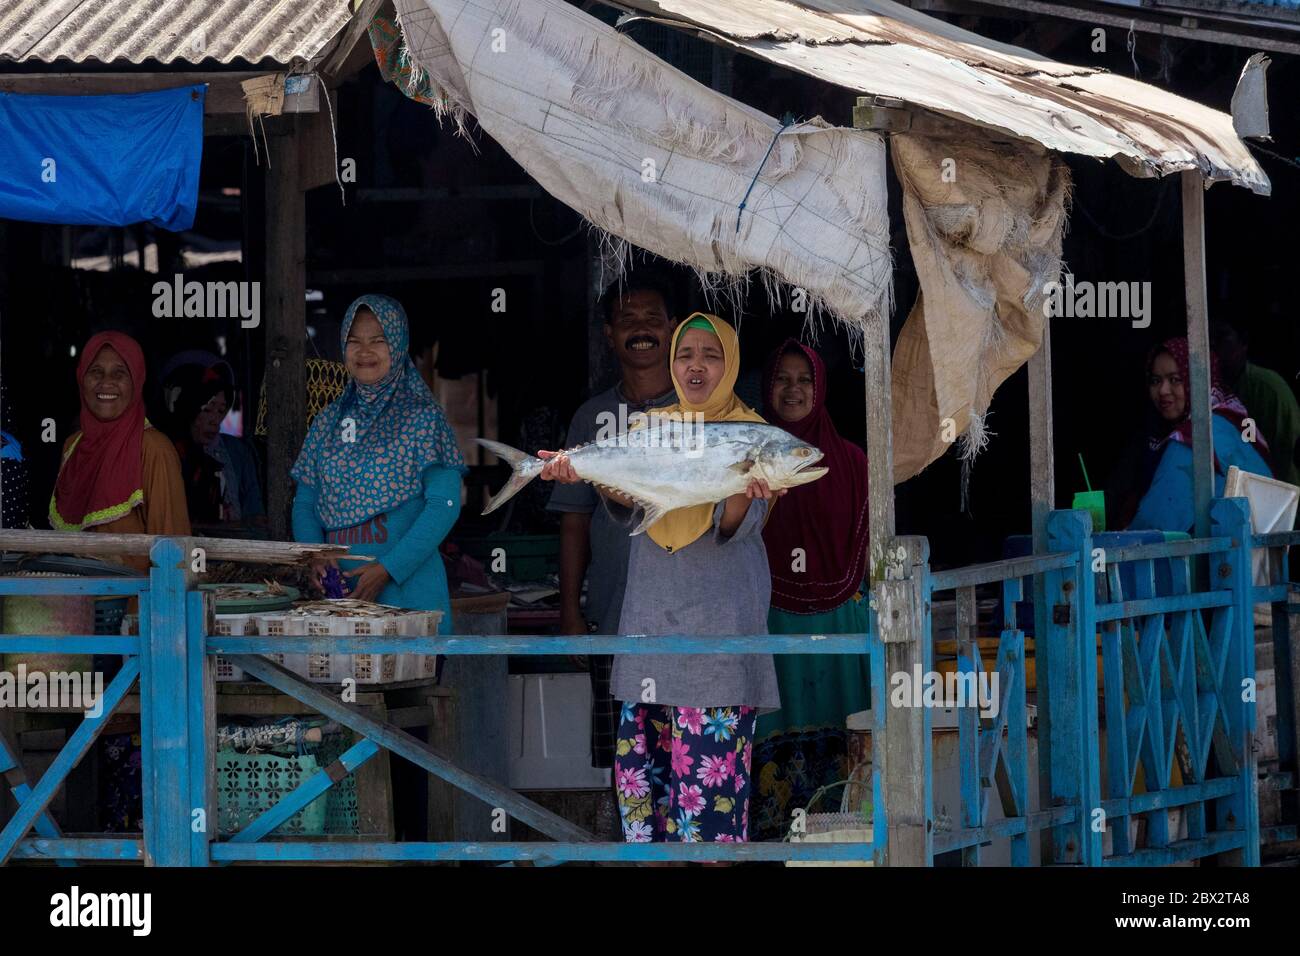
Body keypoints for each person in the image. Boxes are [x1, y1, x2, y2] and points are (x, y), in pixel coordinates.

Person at [540, 313, 781, 844]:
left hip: (718, 644)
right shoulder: (647, 430)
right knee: (643, 819)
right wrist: (586, 472)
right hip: (648, 637)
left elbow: (735, 527)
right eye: (685, 354)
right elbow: (626, 507)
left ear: (731, 364)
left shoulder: (755, 435)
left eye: (710, 355)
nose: (696, 365)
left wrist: (744, 486)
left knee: (707, 821)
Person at [547, 271, 679, 772]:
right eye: (627, 321)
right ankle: (636, 852)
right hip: (614, 616)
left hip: (686, 619)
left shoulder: (699, 413)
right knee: (630, 769)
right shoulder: (590, 418)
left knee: (692, 761)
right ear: (609, 334)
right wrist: (571, 614)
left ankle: (689, 851)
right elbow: (574, 523)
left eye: (652, 319)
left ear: (672, 329)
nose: (641, 330)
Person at [752, 338, 872, 841]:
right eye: (783, 378)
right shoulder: (748, 457)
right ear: (767, 387)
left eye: (805, 379)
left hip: (840, 622)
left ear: (821, 388)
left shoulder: (849, 460)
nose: (794, 389)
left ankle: (841, 842)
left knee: (845, 734)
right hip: (768, 619)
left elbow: (870, 547)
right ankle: (774, 848)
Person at [291, 294, 465, 627]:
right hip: (339, 608)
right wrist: (317, 554)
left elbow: (444, 505)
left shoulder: (423, 420)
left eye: (378, 341)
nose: (364, 351)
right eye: (354, 341)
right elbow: (305, 502)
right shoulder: (327, 423)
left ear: (397, 345)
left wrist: (388, 569)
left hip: (412, 606)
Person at [50, 331, 190, 571]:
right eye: (95, 372)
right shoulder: (72, 447)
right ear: (81, 378)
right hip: (76, 604)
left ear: (136, 381)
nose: (106, 382)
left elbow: (173, 548)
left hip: (136, 605)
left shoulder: (153, 448)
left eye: (120, 373)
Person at [1109, 336, 1272, 533]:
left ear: (1199, 380)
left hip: (1232, 559)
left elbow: (1154, 527)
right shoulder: (1233, 420)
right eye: (1155, 380)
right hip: (1262, 559)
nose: (1163, 390)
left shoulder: (1195, 437)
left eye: (1176, 380)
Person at [160, 351, 265, 529]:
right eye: (207, 409)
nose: (215, 420)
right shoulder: (164, 451)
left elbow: (256, 517)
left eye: (221, 410)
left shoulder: (238, 451)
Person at [1210, 320, 1300, 486]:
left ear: (1243, 342)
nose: (1212, 346)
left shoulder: (1269, 388)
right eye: (1209, 339)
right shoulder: (1205, 388)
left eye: (1222, 337)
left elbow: (1285, 454)